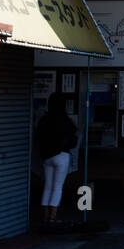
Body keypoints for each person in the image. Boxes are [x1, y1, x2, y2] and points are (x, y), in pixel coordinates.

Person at [36, 92, 77, 226]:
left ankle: (45, 215)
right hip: (62, 155)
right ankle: (53, 216)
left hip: (47, 157)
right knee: (58, 187)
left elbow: (39, 136)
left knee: (47, 186)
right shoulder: (65, 120)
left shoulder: (44, 120)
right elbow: (73, 137)